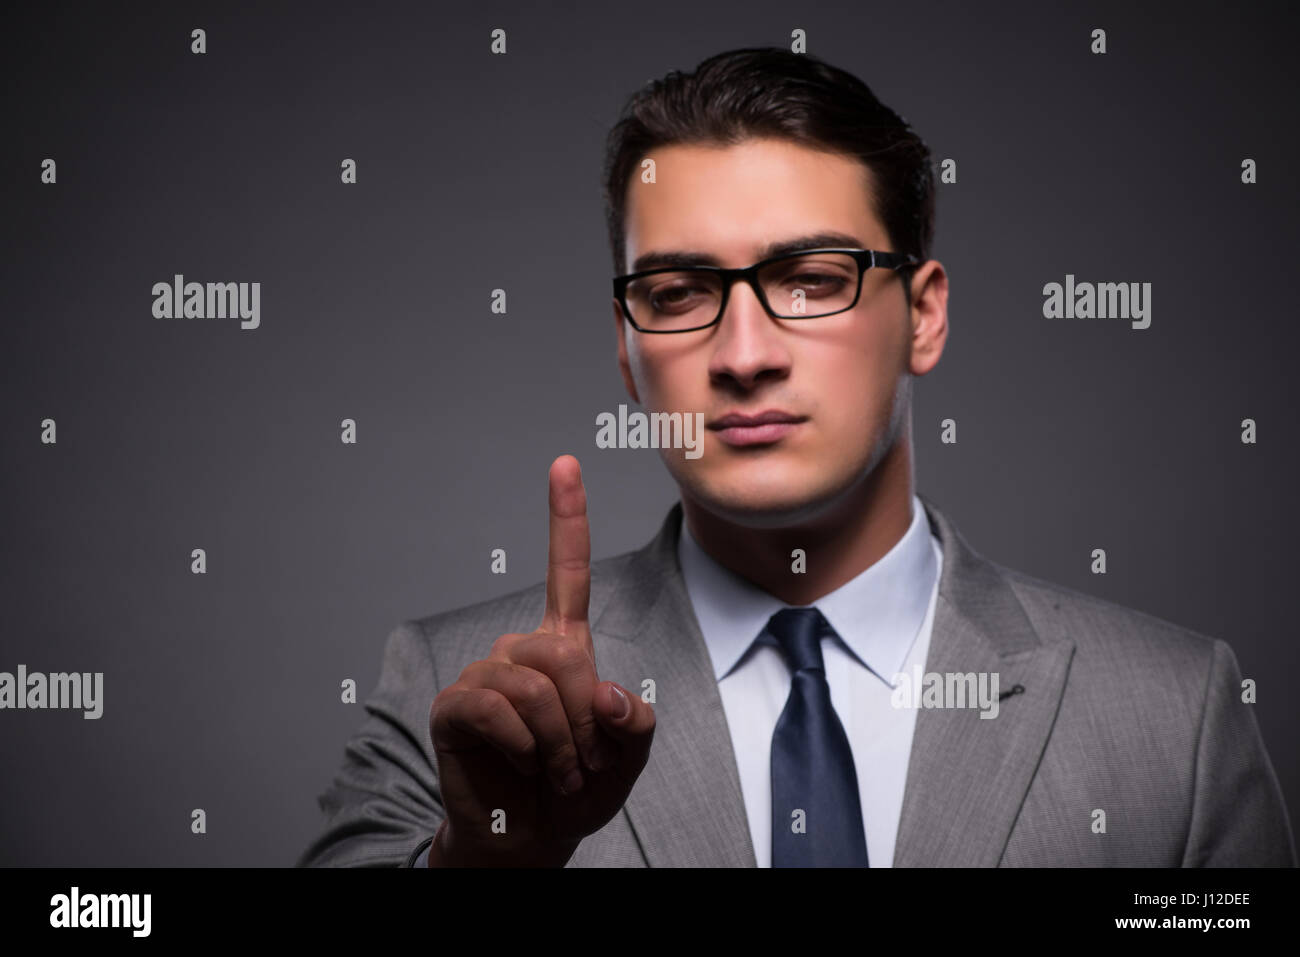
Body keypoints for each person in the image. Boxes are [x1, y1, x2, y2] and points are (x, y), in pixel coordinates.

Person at [298, 47, 1295, 868]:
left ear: (925, 313)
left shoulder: (1175, 714)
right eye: (680, 293)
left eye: (813, 281)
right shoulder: (459, 695)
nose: (741, 355)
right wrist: (486, 858)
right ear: (624, 346)